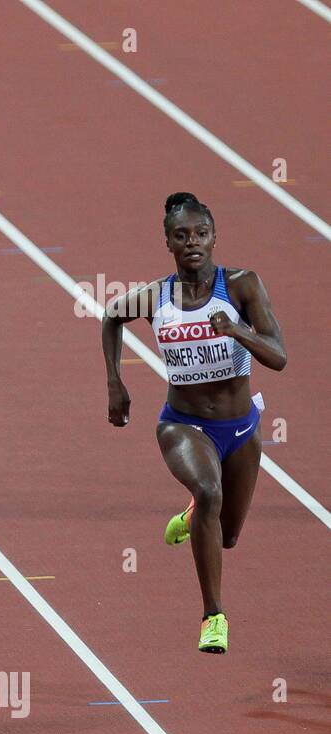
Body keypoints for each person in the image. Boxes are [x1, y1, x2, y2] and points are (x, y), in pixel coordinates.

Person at [102, 192, 286, 654]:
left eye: (200, 234)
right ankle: (213, 617)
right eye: (181, 235)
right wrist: (115, 384)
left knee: (226, 536)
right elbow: (110, 316)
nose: (192, 243)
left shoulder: (241, 285)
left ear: (214, 237)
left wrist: (238, 330)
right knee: (209, 490)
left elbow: (278, 356)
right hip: (182, 425)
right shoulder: (156, 295)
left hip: (240, 428)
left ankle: (192, 516)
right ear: (167, 242)